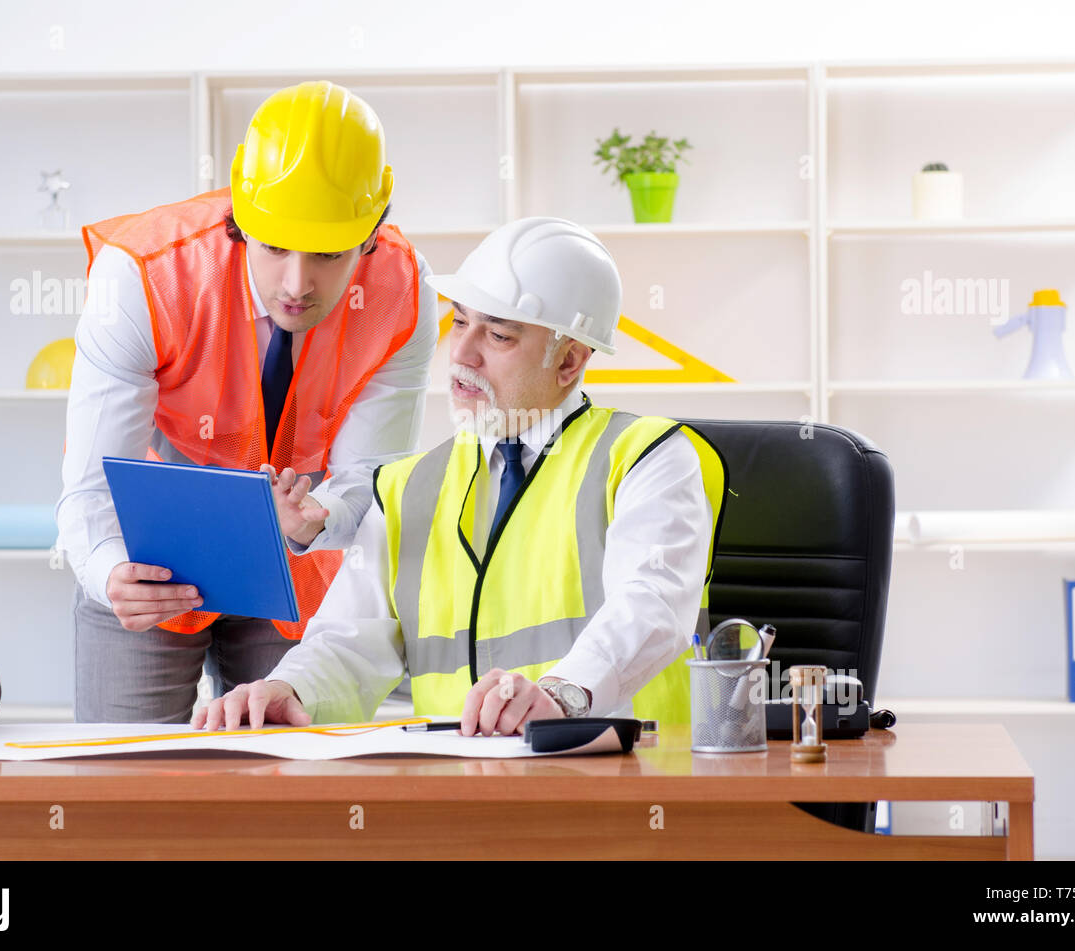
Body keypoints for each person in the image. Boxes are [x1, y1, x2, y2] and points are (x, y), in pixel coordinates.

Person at [193, 217, 726, 736]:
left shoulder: (646, 458)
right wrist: (291, 688)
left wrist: (562, 695)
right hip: (459, 783)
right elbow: (349, 640)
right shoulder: (409, 486)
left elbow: (652, 606)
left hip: (624, 775)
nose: (462, 354)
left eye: (498, 336)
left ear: (569, 360)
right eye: (460, 321)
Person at [56, 81, 438, 722]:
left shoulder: (402, 288)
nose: (297, 283)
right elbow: (90, 488)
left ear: (371, 233)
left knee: (289, 781)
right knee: (123, 790)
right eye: (274, 246)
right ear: (240, 218)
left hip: (297, 556)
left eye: (327, 255)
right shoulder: (144, 274)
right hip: (149, 552)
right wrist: (109, 573)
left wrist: (318, 519)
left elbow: (369, 478)